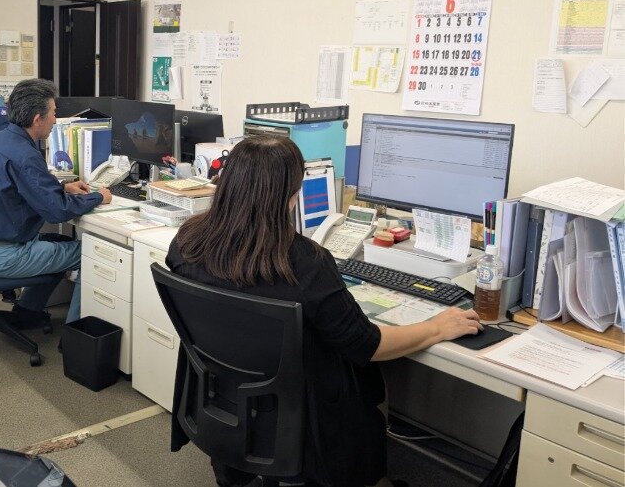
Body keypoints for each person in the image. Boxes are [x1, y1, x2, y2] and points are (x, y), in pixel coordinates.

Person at [166, 136, 481, 487]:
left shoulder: (187, 241)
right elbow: (369, 345)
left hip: (222, 397)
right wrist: (437, 327)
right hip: (304, 419)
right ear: (290, 197)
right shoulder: (304, 263)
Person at [0, 79, 112, 325]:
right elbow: (58, 211)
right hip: (6, 255)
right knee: (89, 254)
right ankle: (75, 333)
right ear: (38, 119)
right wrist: (99, 196)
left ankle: (27, 313)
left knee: (60, 243)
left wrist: (62, 186)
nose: (56, 120)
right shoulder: (25, 155)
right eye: (54, 113)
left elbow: (20, 186)